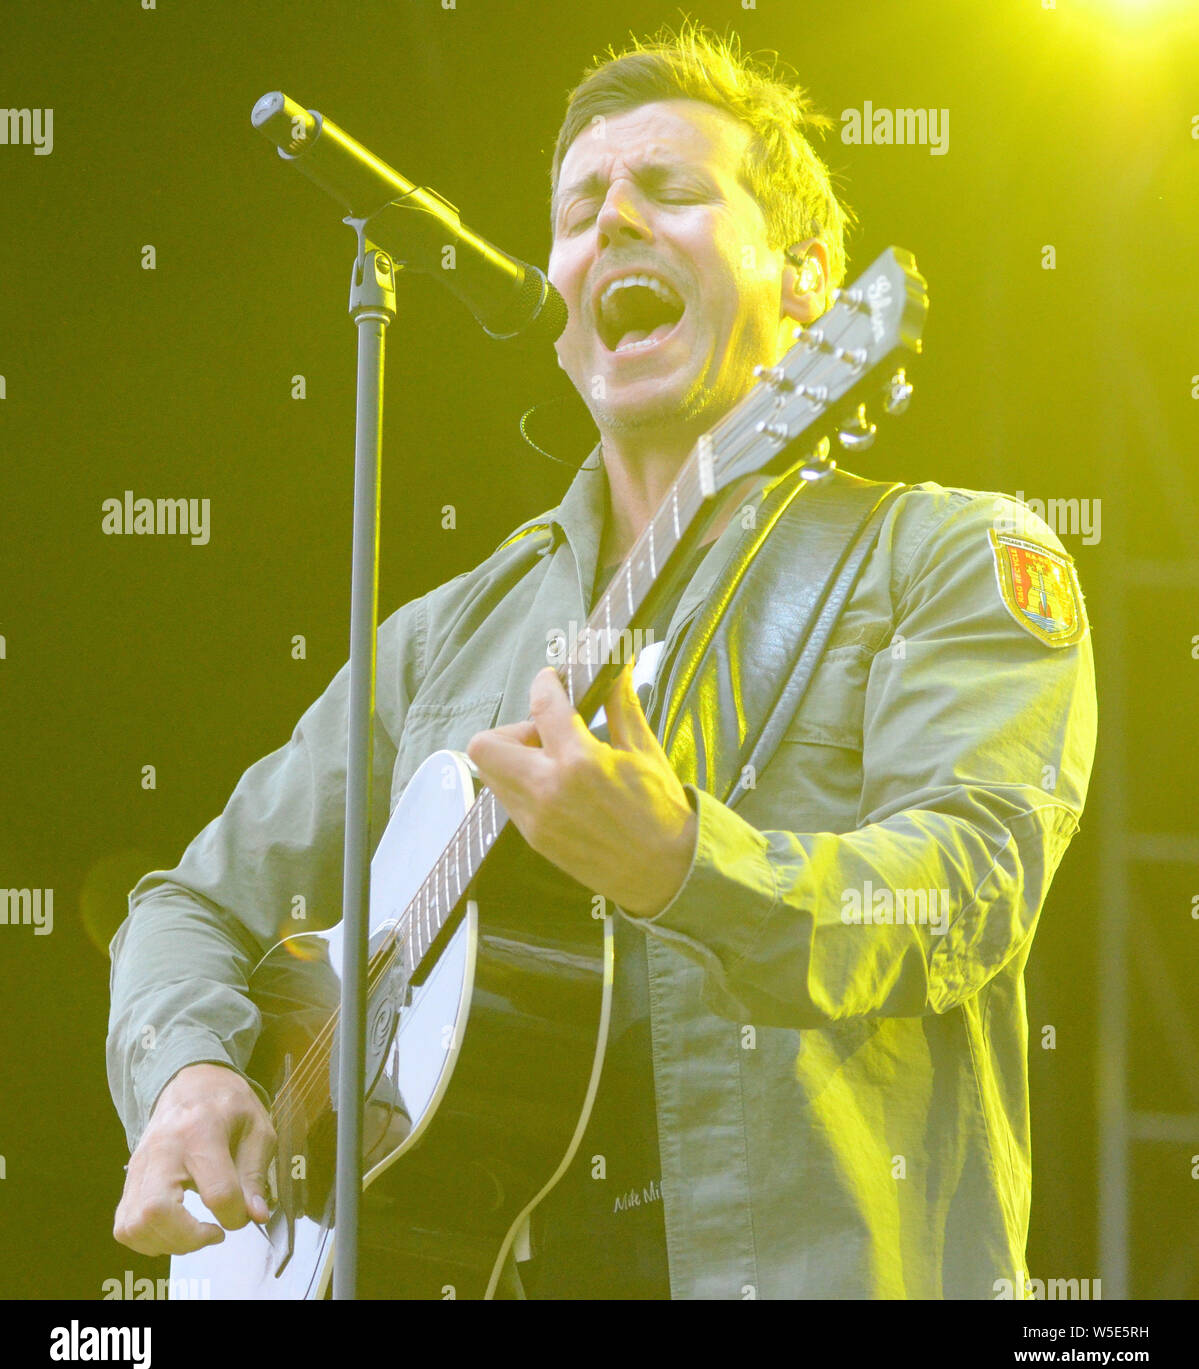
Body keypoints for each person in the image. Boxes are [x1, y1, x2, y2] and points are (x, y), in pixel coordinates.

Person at [107, 23, 1096, 1299]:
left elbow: (964, 889)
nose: (612, 219)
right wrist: (191, 1068)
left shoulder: (949, 558)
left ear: (806, 284)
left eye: (670, 191)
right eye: (580, 208)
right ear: (565, 318)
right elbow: (188, 904)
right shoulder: (443, 636)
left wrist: (688, 867)